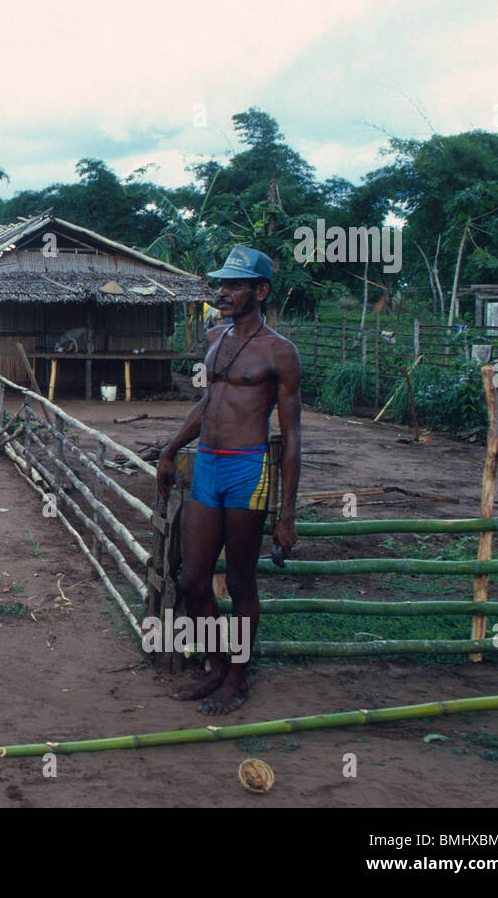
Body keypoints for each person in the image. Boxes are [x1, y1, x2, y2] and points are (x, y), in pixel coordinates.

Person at [156, 246, 301, 715]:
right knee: (193, 579)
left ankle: (237, 679)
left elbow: (293, 436)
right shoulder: (216, 337)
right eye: (221, 283)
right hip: (209, 464)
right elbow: (208, 403)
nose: (223, 291)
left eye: (235, 284)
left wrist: (287, 515)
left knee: (240, 582)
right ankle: (215, 667)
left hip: (248, 469)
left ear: (260, 291)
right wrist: (172, 447)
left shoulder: (280, 351)